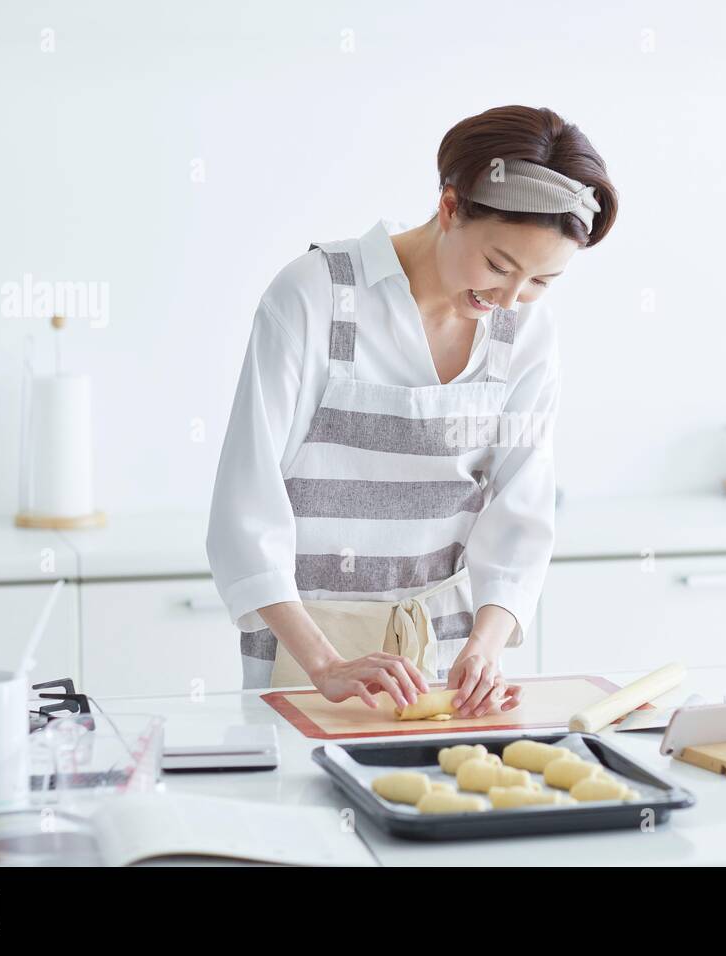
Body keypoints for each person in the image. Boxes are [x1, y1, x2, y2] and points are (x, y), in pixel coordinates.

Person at [207, 104, 618, 718]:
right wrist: (326, 664)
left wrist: (486, 644)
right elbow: (247, 507)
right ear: (450, 207)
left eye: (541, 281)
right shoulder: (315, 297)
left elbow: (521, 504)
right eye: (499, 266)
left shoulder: (526, 332)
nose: (509, 298)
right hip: (306, 657)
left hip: (446, 657)